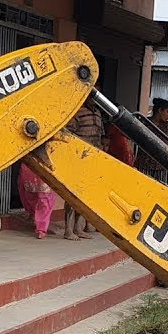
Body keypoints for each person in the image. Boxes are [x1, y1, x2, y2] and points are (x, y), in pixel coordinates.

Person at [62, 102, 104, 239]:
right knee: (72, 194)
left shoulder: (97, 112)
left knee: (84, 195)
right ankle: (68, 230)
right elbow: (68, 132)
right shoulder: (78, 110)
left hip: (93, 158)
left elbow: (101, 136)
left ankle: (78, 228)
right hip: (77, 157)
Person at [18, 163, 54, 239]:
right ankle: (41, 229)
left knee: (31, 195)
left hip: (30, 168)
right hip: (45, 168)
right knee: (45, 200)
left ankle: (34, 216)